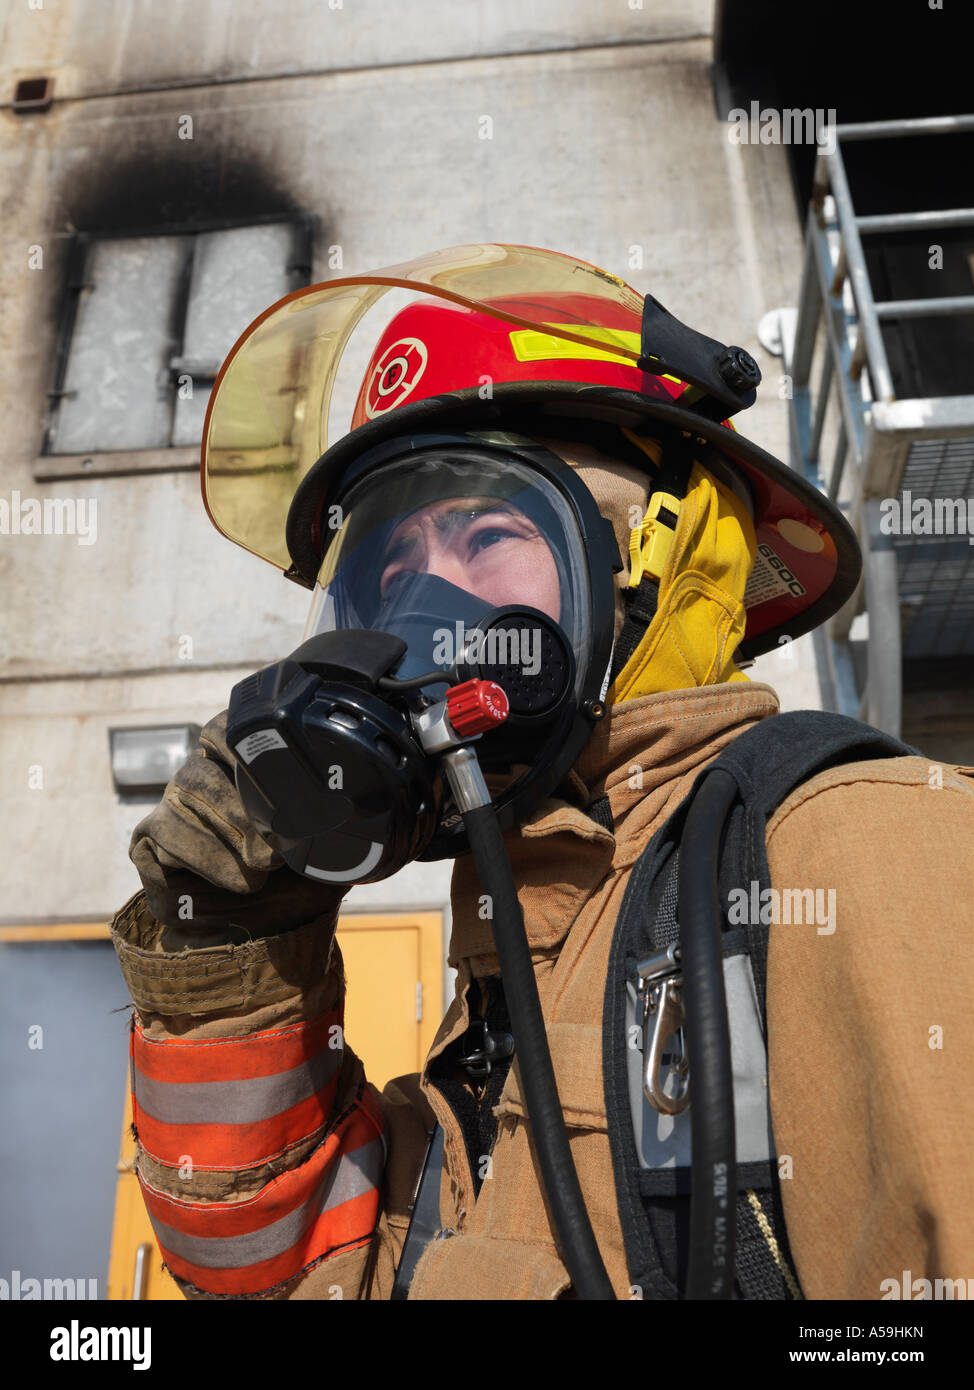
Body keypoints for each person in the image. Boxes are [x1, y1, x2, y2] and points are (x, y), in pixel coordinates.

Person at [110, 245, 974, 1300]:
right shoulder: (504, 974)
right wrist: (231, 947)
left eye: (486, 533)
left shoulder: (849, 849)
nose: (422, 612)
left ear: (664, 558)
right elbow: (283, 1282)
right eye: (390, 571)